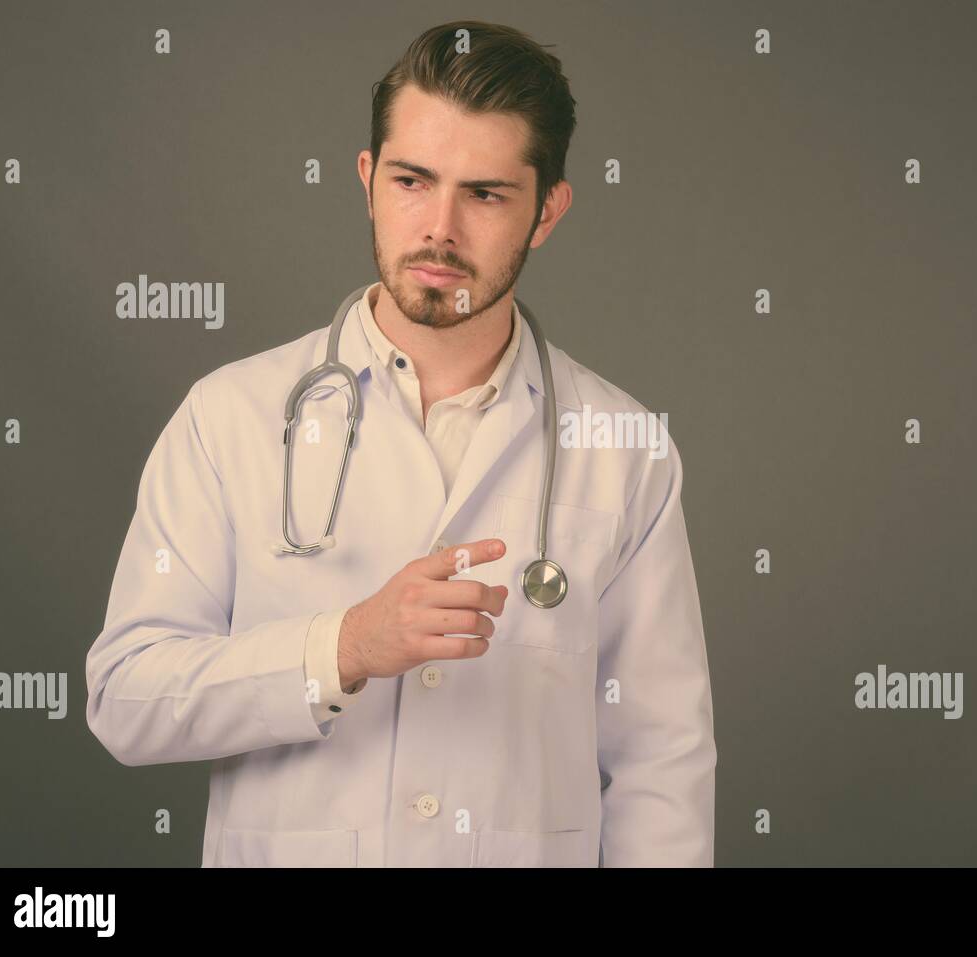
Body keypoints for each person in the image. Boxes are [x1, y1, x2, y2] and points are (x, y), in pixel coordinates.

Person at [85, 19, 716, 867]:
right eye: (413, 181)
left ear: (548, 211)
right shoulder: (227, 418)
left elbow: (661, 766)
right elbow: (127, 697)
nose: (441, 230)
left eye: (486, 194)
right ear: (368, 179)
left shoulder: (624, 449)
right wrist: (342, 647)